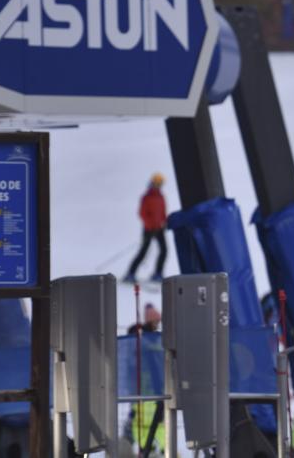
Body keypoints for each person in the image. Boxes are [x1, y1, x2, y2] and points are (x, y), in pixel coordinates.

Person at [126, 304, 164, 454]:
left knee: (155, 429)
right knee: (146, 428)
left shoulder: (152, 340)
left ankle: (152, 450)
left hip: (150, 393)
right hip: (145, 393)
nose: (157, 325)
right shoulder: (144, 340)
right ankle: (149, 450)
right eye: (155, 322)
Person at [124, 173, 168, 283]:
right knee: (143, 252)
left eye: (160, 183)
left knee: (164, 250)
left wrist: (164, 223)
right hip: (149, 229)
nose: (159, 185)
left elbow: (163, 212)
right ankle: (130, 274)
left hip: (159, 229)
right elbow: (142, 213)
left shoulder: (161, 197)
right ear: (152, 183)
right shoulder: (146, 197)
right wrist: (150, 226)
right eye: (157, 183)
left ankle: (158, 274)